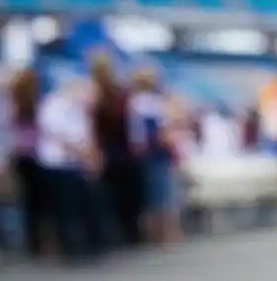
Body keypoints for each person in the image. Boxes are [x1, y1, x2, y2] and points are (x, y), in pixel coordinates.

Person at [39, 77, 103, 261]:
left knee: (81, 206)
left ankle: (85, 244)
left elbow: (86, 136)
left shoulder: (80, 110)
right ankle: (69, 247)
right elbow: (59, 135)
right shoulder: (53, 106)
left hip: (76, 164)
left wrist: (91, 157)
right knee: (66, 208)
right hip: (59, 165)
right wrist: (83, 153)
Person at [89, 53, 142, 247]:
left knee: (112, 197)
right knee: (122, 198)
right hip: (119, 151)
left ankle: (118, 235)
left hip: (112, 151)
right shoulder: (117, 94)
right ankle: (126, 234)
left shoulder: (104, 95)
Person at [129, 68, 180, 243]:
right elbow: (159, 132)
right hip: (156, 153)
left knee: (153, 196)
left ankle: (156, 234)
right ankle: (165, 234)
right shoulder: (150, 104)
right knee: (163, 196)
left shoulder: (136, 103)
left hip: (147, 154)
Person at [6, 67, 49, 258]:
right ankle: (38, 243)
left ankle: (32, 243)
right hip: (34, 156)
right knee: (38, 203)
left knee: (28, 202)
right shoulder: (33, 104)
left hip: (21, 156)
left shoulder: (13, 105)